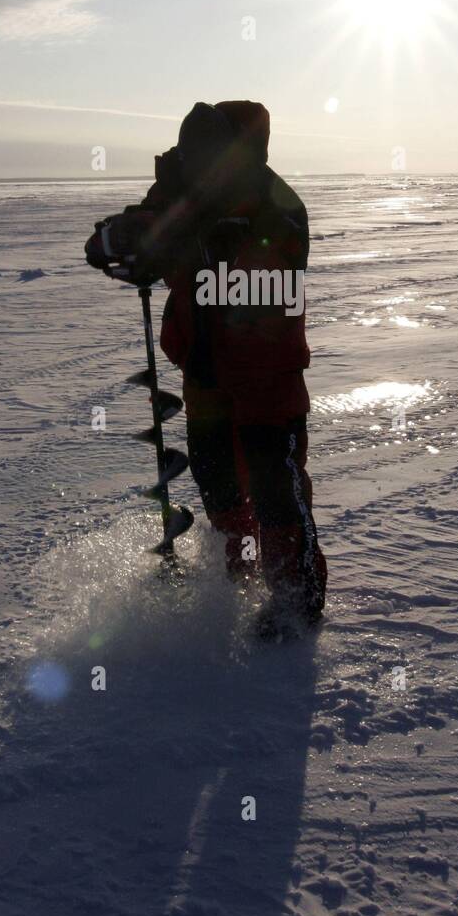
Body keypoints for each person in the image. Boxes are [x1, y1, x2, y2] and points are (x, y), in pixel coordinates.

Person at [84, 100, 327, 639]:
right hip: (205, 369)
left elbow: (254, 280)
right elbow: (153, 224)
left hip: (267, 373)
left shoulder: (277, 205)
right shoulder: (185, 188)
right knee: (217, 482)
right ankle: (235, 584)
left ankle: (295, 607)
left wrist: (175, 245)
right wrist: (120, 241)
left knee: (275, 489)